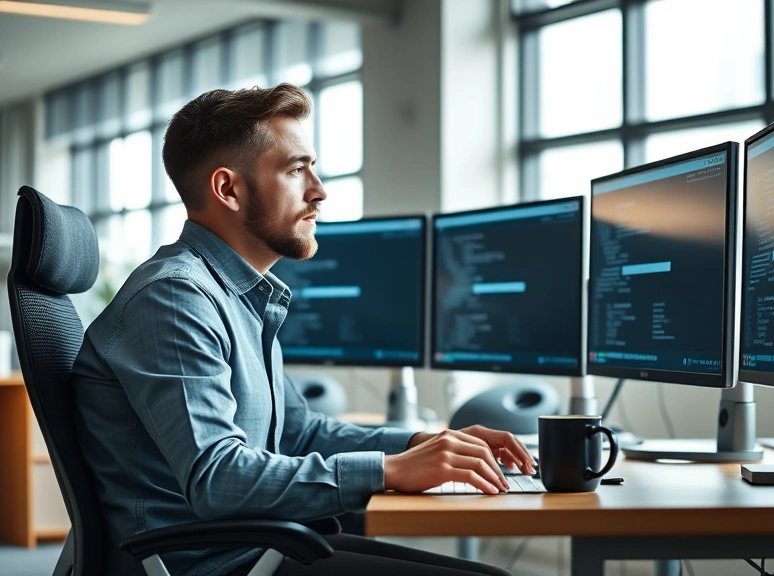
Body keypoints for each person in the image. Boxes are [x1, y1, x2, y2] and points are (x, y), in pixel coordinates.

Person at [71, 83, 535, 576]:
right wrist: (387, 470)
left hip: (260, 548)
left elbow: (298, 431)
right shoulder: (174, 298)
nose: (319, 190)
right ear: (228, 189)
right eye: (296, 170)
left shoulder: (241, 296)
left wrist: (418, 442)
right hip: (215, 564)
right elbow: (216, 477)